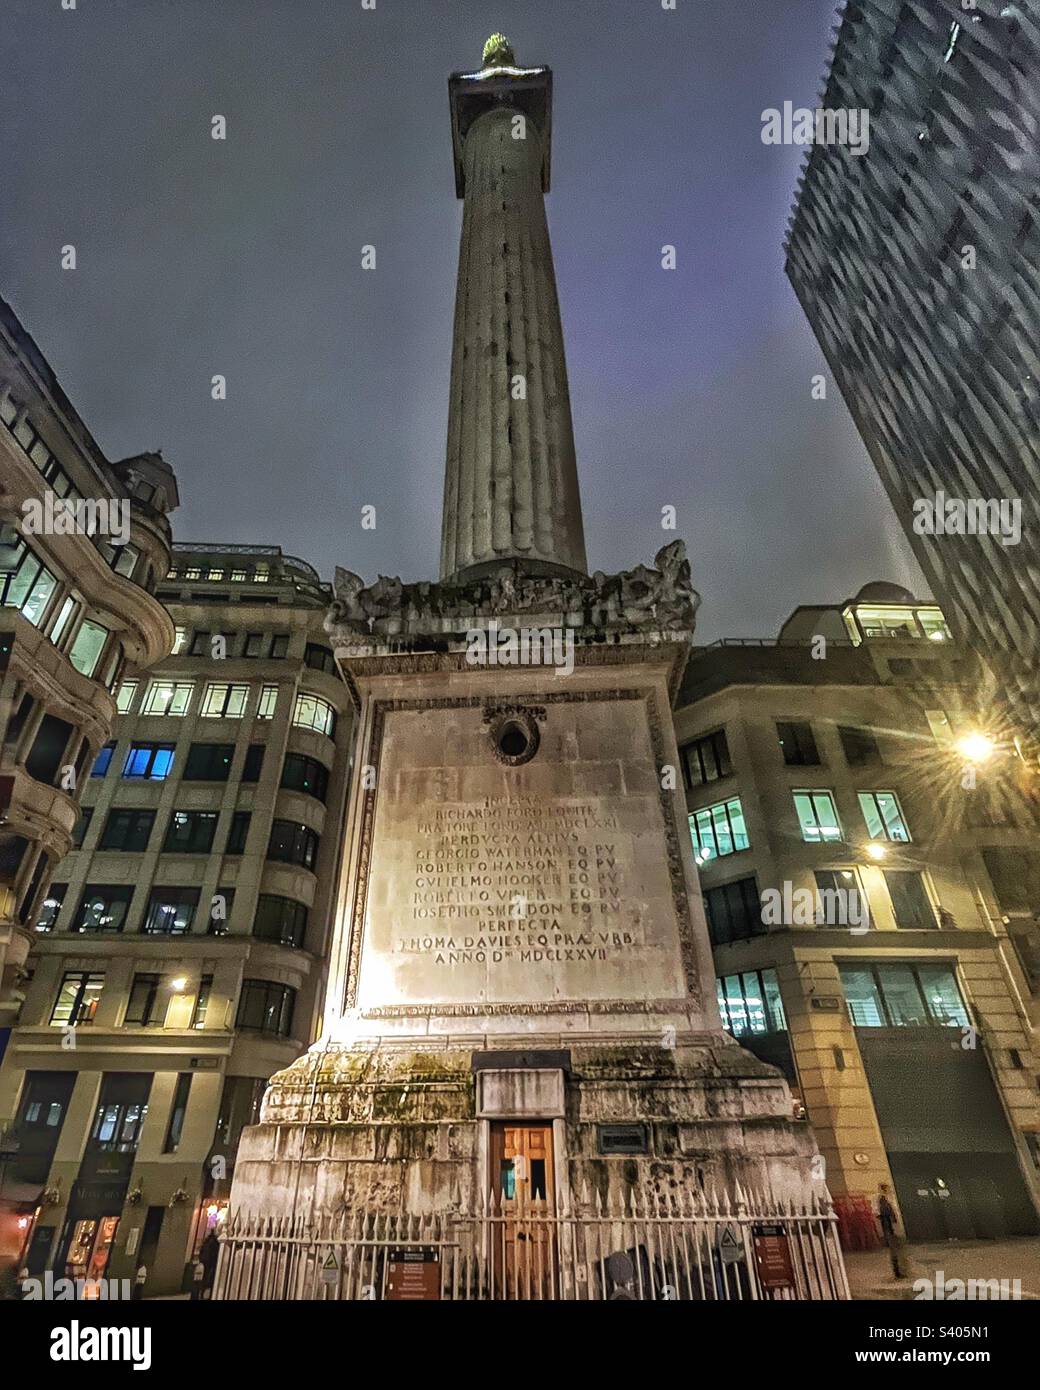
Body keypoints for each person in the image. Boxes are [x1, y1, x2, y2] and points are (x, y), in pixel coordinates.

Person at [877, 1184, 905, 1278]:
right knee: (895, 1251)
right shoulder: (883, 1201)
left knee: (896, 1250)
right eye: (888, 1189)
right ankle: (897, 1272)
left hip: (890, 1228)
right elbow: (886, 1214)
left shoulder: (886, 1200)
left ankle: (898, 1271)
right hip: (889, 1228)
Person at [198, 1230, 220, 1300]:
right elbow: (215, 1253)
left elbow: (201, 1251)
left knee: (204, 1278)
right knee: (211, 1279)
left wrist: (201, 1259)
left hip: (205, 1262)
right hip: (211, 1263)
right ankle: (208, 1294)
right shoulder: (215, 1242)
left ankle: (201, 1294)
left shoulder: (206, 1242)